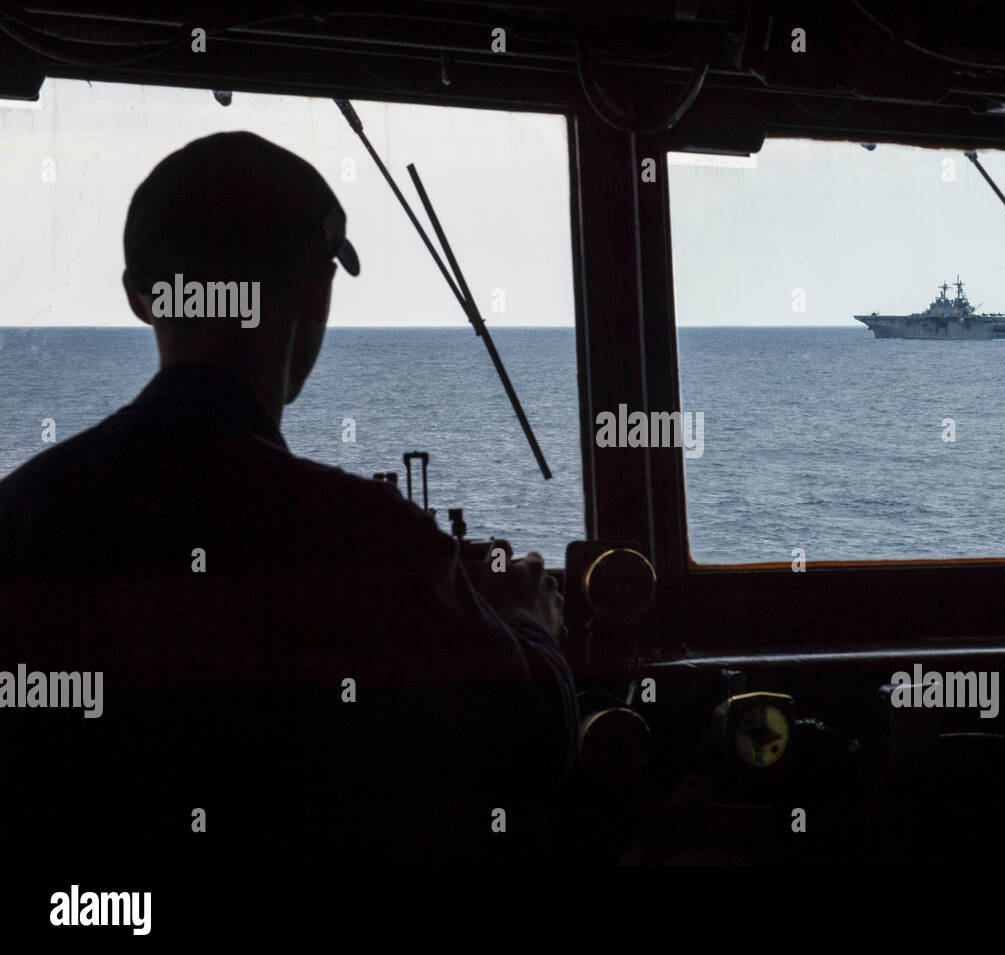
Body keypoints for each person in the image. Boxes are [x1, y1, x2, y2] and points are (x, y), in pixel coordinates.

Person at [0, 131, 577, 866]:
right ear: (313, 294)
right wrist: (529, 624)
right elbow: (528, 746)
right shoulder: (371, 543)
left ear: (141, 299)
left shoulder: (16, 522)